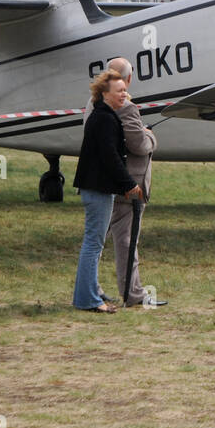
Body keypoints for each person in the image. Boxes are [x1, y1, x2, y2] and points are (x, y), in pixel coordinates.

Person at [84, 57, 164, 308]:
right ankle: (133, 294)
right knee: (127, 241)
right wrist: (150, 136)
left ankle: (92, 289)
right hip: (128, 182)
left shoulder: (93, 104)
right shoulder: (127, 107)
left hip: (104, 182)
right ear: (128, 79)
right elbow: (138, 145)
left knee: (97, 240)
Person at [71, 70, 142, 312]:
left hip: (98, 188)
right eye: (119, 91)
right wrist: (129, 184)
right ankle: (88, 300)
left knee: (94, 243)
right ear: (105, 94)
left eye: (125, 90)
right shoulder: (103, 119)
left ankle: (90, 293)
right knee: (93, 243)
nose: (124, 94)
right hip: (97, 189)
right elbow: (110, 157)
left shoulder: (105, 115)